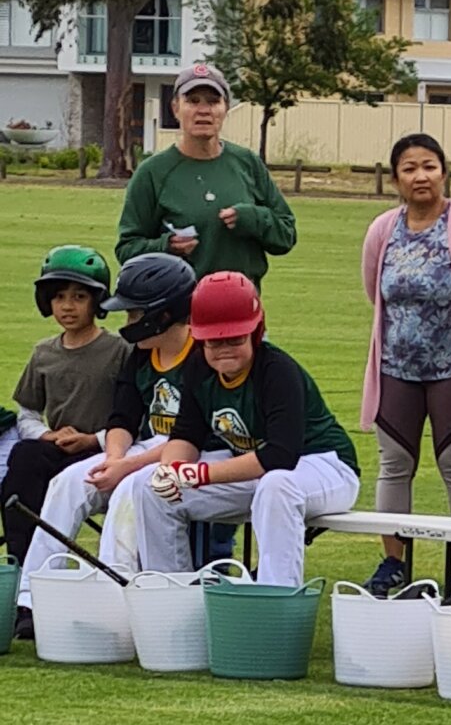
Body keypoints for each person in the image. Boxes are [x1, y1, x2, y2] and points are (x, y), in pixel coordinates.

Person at [134, 272, 360, 584]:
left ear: (255, 332)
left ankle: (275, 606)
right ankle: (171, 601)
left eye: (236, 338)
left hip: (325, 466)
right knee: (151, 489)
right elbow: (187, 434)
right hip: (260, 472)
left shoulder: (277, 371)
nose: (224, 348)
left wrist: (198, 475)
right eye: (214, 340)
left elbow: (280, 455)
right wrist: (170, 470)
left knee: (277, 486)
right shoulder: (200, 367)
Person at [360, 132, 451, 601]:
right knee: (394, 463)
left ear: (445, 172)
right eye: (409, 168)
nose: (420, 176)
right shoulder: (383, 230)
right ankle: (393, 562)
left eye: (429, 166)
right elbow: (374, 290)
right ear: (396, 178)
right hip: (395, 368)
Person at [18, 252, 201, 591]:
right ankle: (31, 595)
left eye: (135, 312)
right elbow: (124, 418)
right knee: (69, 482)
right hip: (146, 448)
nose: (128, 321)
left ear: (164, 313)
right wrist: (115, 459)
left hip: (194, 452)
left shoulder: (202, 354)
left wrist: (126, 467)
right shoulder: (144, 353)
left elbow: (192, 436)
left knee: (130, 490)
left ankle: (115, 591)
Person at [115, 65, 297, 285]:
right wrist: (166, 246)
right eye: (193, 101)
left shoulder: (246, 163)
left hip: (241, 309)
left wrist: (253, 218)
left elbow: (286, 236)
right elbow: (126, 250)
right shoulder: (153, 172)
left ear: (225, 108)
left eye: (212, 101)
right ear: (175, 108)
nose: (203, 110)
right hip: (179, 311)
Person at [2, 246, 129, 565]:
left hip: (104, 450)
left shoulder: (119, 351)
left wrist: (93, 439)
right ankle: (22, 562)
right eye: (59, 297)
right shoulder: (44, 353)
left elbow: (132, 415)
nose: (67, 307)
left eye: (79, 297)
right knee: (24, 456)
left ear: (97, 302)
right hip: (56, 449)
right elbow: (28, 413)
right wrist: (48, 435)